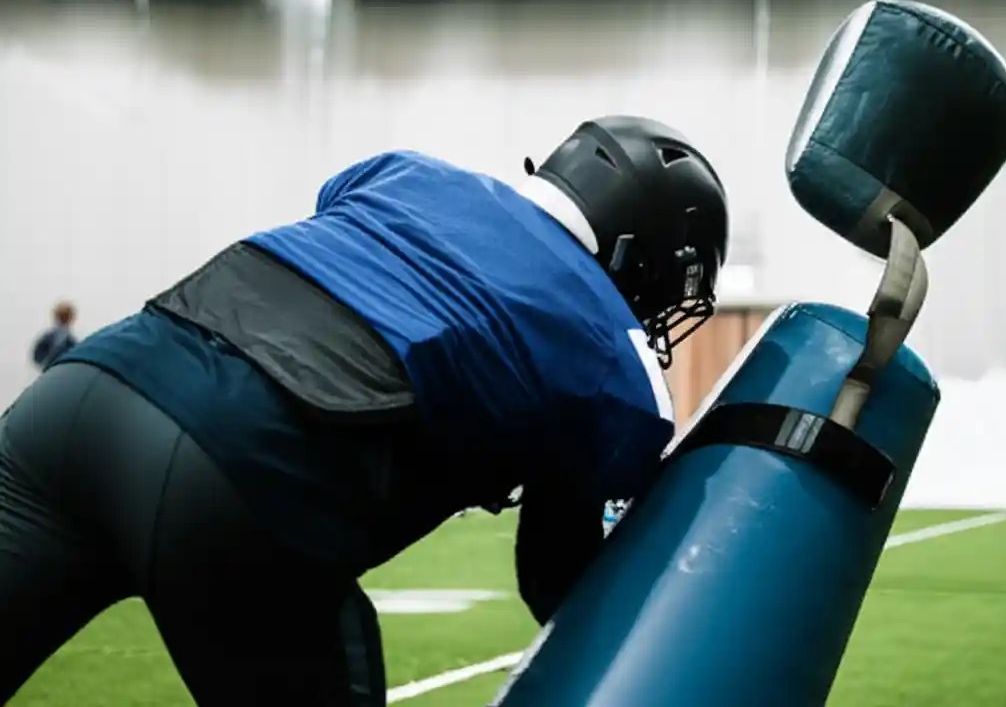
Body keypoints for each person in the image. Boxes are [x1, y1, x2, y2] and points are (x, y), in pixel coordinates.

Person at [0, 115, 728, 705]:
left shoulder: (407, 172)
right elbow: (555, 576)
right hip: (235, 463)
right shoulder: (612, 359)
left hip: (78, 398)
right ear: (647, 255)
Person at [30, 300, 78, 370]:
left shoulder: (71, 340)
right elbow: (37, 355)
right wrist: (46, 363)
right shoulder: (48, 337)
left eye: (66, 316)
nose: (64, 318)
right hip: (51, 369)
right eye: (62, 315)